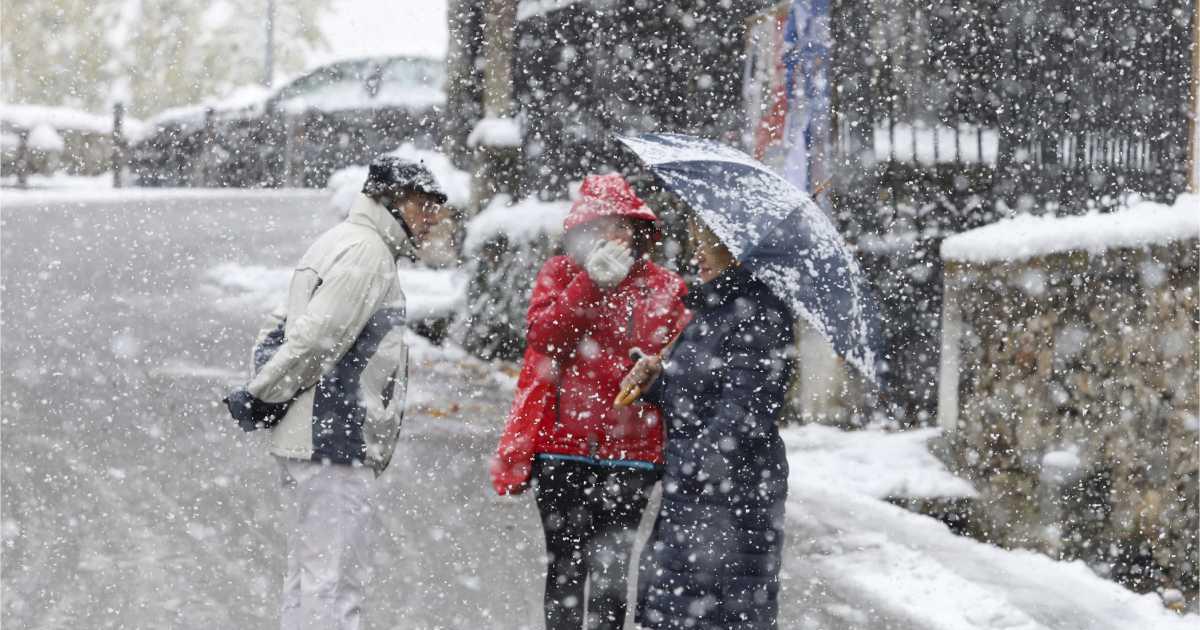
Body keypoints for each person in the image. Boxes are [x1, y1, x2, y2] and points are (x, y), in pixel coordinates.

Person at [224, 155, 449, 630]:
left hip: (319, 438)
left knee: (310, 576)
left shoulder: (341, 243)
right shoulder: (367, 254)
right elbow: (314, 340)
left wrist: (266, 393)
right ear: (390, 201)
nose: (431, 217)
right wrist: (264, 394)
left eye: (435, 206)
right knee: (336, 583)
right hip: (335, 440)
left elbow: (279, 327)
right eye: (422, 204)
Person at [491, 173, 690, 630]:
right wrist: (590, 286)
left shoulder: (665, 287)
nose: (611, 238)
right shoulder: (561, 276)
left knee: (611, 577)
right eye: (600, 227)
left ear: (639, 231)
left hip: (633, 456)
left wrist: (658, 369)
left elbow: (680, 360)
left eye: (620, 226)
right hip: (563, 449)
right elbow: (545, 340)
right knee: (566, 569)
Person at [622, 215, 794, 630]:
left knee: (715, 614)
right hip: (698, 494)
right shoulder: (715, 311)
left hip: (730, 498)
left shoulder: (758, 316)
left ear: (741, 252)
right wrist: (656, 384)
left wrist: (698, 461)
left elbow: (745, 412)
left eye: (712, 243)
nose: (698, 253)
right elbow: (699, 398)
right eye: (697, 242)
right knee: (681, 610)